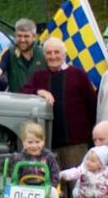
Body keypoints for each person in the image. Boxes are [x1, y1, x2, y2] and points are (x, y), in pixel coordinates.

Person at [21, 38, 97, 169]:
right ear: (44, 55)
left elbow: (92, 105)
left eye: (56, 52)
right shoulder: (38, 76)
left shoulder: (78, 74)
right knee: (53, 181)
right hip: (49, 145)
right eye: (49, 53)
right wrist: (39, 91)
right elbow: (23, 92)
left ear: (64, 54)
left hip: (76, 145)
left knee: (76, 181)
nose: (53, 56)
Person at [11, 121, 63, 198]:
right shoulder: (19, 158)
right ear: (23, 142)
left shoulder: (48, 157)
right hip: (25, 186)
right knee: (12, 192)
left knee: (53, 193)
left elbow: (55, 173)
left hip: (45, 186)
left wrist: (51, 185)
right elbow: (14, 174)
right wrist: (16, 183)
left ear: (43, 141)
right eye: (30, 142)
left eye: (38, 142)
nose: (34, 146)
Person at [0, 18, 45, 93]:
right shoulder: (9, 52)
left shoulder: (44, 54)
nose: (22, 40)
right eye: (19, 36)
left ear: (34, 37)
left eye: (26, 36)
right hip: (15, 99)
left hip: (39, 99)